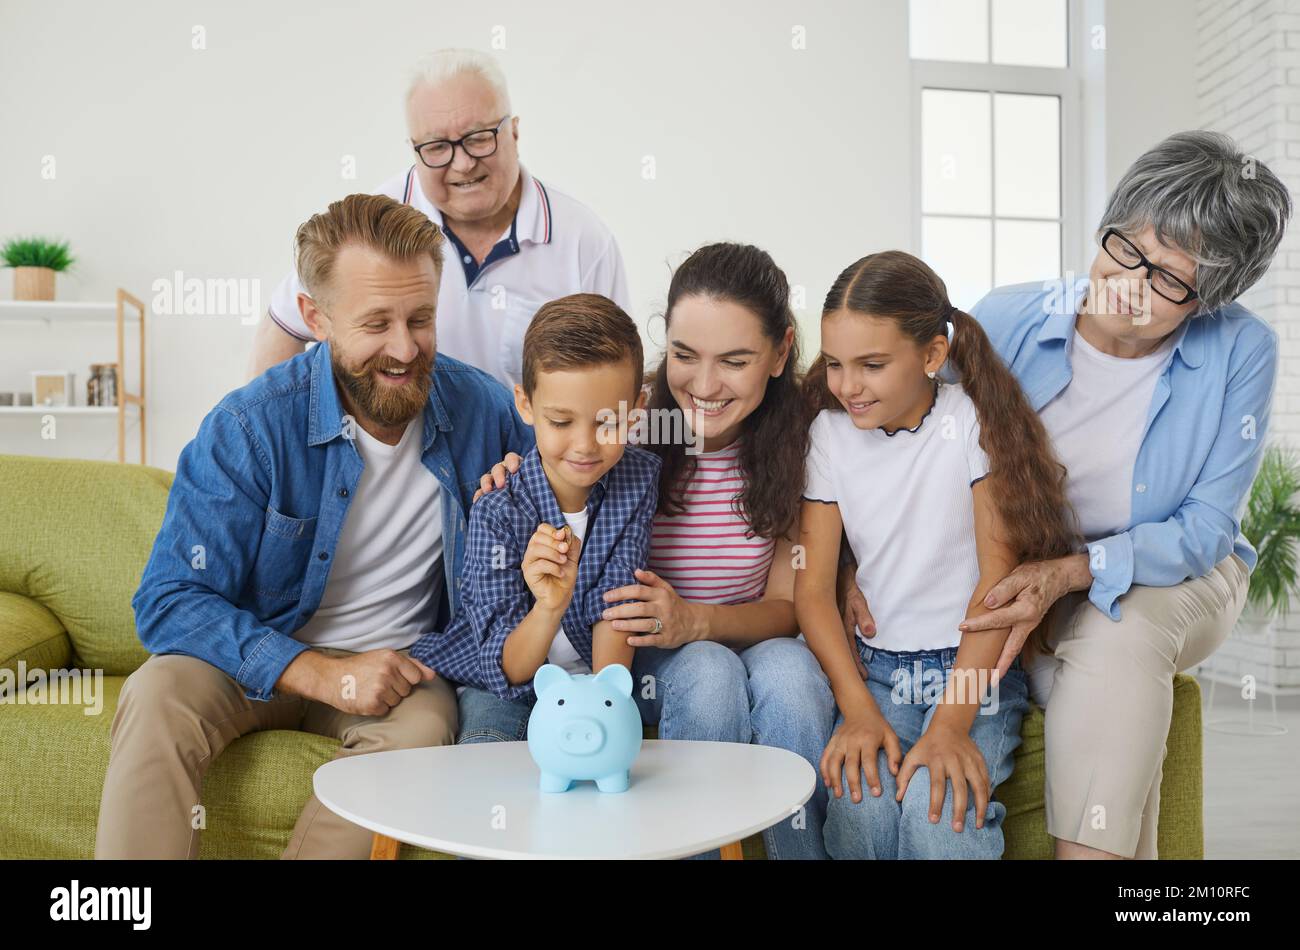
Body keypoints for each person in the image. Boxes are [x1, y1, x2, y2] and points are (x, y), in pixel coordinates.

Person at [96, 193, 532, 859]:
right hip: (251, 661)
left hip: (396, 671)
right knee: (157, 694)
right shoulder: (251, 426)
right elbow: (169, 600)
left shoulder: (485, 411)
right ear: (314, 317)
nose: (405, 348)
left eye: (420, 318)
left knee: (424, 730)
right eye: (376, 323)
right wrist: (314, 672)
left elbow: (572, 496)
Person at [900, 130, 1291, 860]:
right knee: (1100, 682)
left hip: (1179, 575)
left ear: (1211, 298)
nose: (1129, 287)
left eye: (1170, 281)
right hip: (1031, 566)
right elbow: (910, 448)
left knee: (1121, 632)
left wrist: (1077, 573)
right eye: (1124, 249)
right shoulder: (1010, 317)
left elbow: (1206, 527)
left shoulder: (1243, 351)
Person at [476, 243, 836, 859]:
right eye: (685, 355)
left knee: (796, 677)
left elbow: (790, 604)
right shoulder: (622, 425)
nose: (704, 385)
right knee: (710, 674)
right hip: (645, 650)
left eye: (735, 361)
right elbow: (558, 450)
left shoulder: (800, 446)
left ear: (779, 353)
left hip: (750, 630)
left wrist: (696, 620)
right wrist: (514, 474)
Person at [798, 250, 1077, 859]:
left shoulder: (973, 424)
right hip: (877, 672)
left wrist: (951, 724)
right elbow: (812, 591)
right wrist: (857, 711)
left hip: (969, 674)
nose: (848, 386)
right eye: (837, 365)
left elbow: (995, 587)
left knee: (935, 816)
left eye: (872, 365)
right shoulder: (828, 436)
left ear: (931, 355)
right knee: (861, 809)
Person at [249, 48, 629, 387]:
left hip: (526, 463)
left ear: (514, 131)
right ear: (414, 151)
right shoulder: (370, 226)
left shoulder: (584, 241)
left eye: (479, 137)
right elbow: (283, 323)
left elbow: (615, 375)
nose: (462, 164)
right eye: (437, 147)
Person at [409, 294, 659, 717]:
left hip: (601, 677)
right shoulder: (497, 510)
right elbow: (509, 667)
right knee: (487, 736)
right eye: (561, 422)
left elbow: (618, 601)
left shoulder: (637, 478)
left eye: (608, 422)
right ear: (525, 405)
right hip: (508, 682)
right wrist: (550, 604)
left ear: (636, 411)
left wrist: (603, 705)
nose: (584, 445)